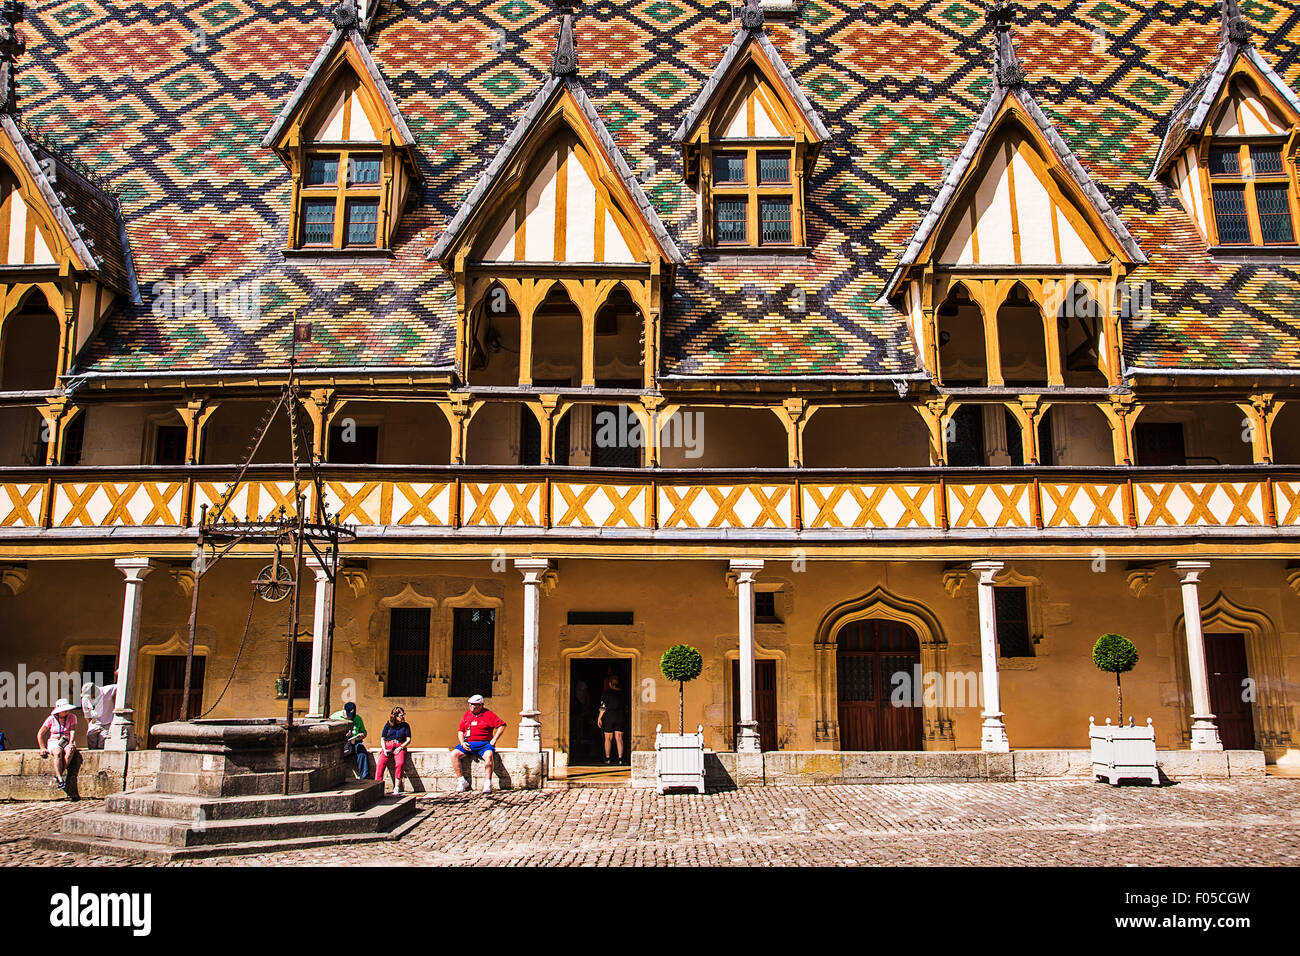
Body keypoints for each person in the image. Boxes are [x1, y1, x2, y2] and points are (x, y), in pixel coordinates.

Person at [452, 694, 506, 794]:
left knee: (489, 756)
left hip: (484, 744)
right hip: (469, 744)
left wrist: (494, 740)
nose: (471, 707)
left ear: (480, 705)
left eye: (474, 705)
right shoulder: (467, 714)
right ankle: (461, 781)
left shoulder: (488, 714)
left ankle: (488, 782)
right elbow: (460, 730)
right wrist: (462, 742)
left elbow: (502, 725)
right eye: (470, 704)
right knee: (454, 754)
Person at [37, 698, 79, 791]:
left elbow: (72, 730)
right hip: (55, 740)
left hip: (67, 740)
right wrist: (42, 748)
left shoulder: (72, 717)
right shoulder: (51, 719)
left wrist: (71, 742)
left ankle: (58, 774)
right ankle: (60, 779)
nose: (66, 712)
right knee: (57, 752)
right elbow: (40, 733)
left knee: (70, 751)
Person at [374, 706, 411, 793]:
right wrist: (384, 749)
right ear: (395, 716)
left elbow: (408, 740)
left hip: (400, 745)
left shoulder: (405, 726)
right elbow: (383, 738)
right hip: (388, 745)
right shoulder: (388, 724)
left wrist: (401, 747)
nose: (403, 717)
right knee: (380, 764)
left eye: (403, 715)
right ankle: (377, 784)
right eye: (401, 715)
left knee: (400, 763)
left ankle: (397, 786)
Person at [331, 701, 369, 778]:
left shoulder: (358, 719)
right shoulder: (334, 717)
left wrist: (362, 735)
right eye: (348, 715)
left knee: (362, 752)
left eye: (351, 716)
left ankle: (364, 777)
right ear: (343, 710)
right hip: (341, 743)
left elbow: (364, 732)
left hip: (355, 742)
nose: (349, 717)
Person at [598, 674, 628, 765]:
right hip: (620, 717)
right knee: (619, 738)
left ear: (610, 684)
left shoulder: (606, 693)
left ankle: (608, 758)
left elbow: (603, 707)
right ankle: (620, 759)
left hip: (608, 717)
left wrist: (599, 718)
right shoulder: (623, 694)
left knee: (608, 738)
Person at [81, 680, 117, 750]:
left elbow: (121, 686)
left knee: (102, 744)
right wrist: (90, 725)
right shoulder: (85, 699)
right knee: (91, 740)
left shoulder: (107, 690)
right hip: (94, 724)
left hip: (107, 724)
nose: (89, 698)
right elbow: (86, 714)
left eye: (91, 696)